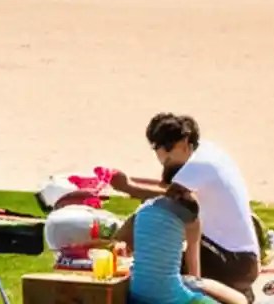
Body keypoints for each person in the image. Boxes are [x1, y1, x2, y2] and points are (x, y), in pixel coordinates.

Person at [110, 113, 261, 303]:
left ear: (184, 141)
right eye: (156, 147)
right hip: (240, 259)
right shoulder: (207, 152)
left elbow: (170, 195)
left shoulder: (200, 165)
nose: (161, 154)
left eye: (165, 148)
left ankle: (110, 252)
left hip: (233, 261)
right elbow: (166, 190)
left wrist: (127, 187)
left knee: (157, 264)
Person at [129, 164, 250, 304]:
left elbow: (126, 242)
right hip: (169, 297)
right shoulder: (189, 215)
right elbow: (195, 274)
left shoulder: (144, 210)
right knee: (240, 300)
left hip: (137, 293)